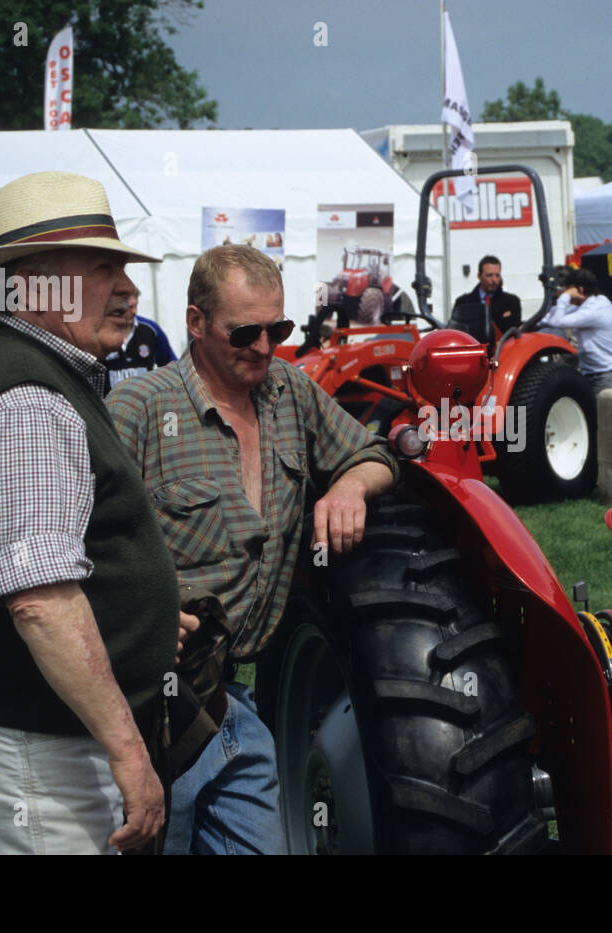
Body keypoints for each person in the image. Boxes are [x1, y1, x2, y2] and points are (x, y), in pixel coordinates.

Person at [0, 171, 197, 854]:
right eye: (104, 267)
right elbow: (40, 600)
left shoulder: (16, 364)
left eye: (124, 266)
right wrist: (131, 755)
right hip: (28, 754)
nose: (127, 286)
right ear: (35, 283)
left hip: (20, 746)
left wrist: (147, 620)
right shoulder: (28, 394)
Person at [106, 245, 398, 854]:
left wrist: (348, 485)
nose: (265, 348)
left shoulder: (289, 392)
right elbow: (77, 544)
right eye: (245, 331)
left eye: (278, 329)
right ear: (195, 322)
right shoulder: (137, 410)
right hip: (150, 708)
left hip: (233, 701)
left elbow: (373, 453)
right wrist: (150, 607)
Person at [541, 266, 612, 394]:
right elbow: (551, 318)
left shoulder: (596, 308)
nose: (570, 299)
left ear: (580, 290)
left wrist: (564, 297)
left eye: (570, 293)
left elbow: (556, 322)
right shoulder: (584, 306)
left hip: (608, 378)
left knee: (606, 414)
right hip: (592, 375)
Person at [103, 288, 178, 388]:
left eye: (136, 305)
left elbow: (172, 368)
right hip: (108, 402)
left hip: (145, 402)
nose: (134, 311)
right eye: (130, 307)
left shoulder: (151, 329)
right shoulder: (102, 331)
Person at [450, 255, 522, 343]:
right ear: (479, 276)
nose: (494, 280)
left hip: (503, 353)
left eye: (497, 275)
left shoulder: (512, 302)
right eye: (489, 275)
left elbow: (514, 333)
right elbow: (457, 334)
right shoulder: (463, 303)